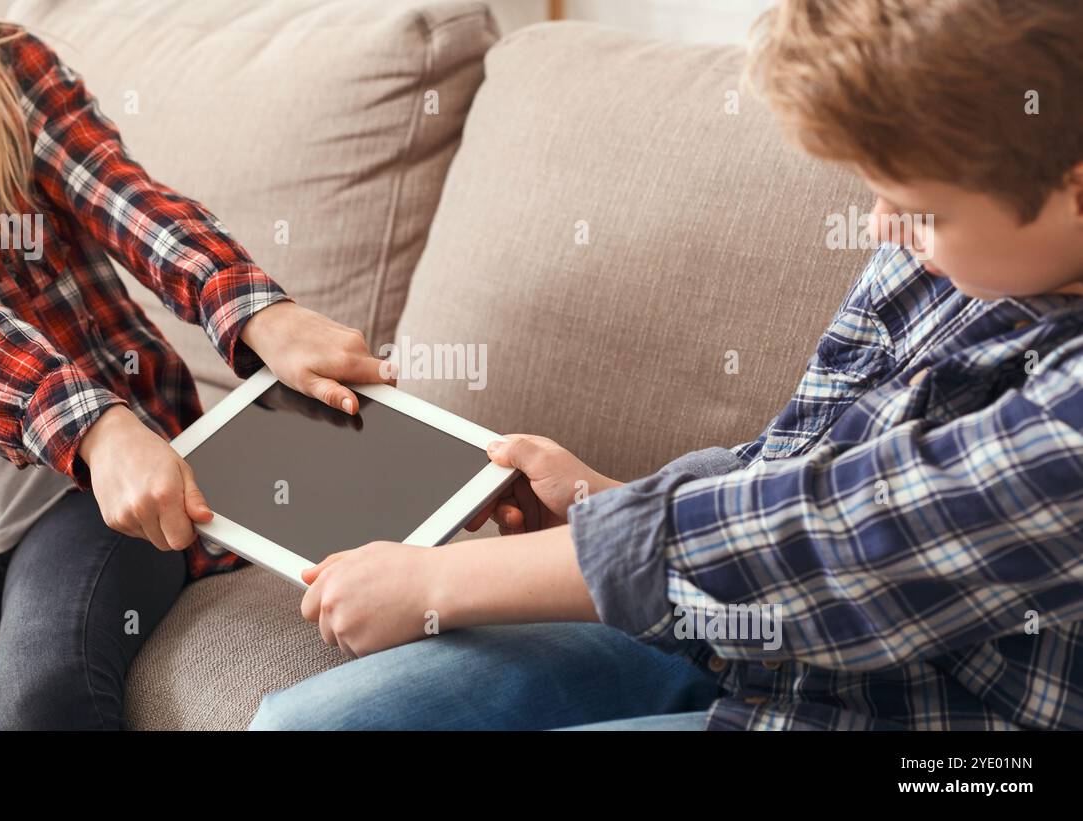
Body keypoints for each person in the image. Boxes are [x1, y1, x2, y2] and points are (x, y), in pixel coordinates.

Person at [251, 0, 1083, 731]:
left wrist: (444, 578)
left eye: (920, 209)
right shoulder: (933, 259)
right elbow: (789, 468)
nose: (880, 229)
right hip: (733, 636)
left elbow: (837, 533)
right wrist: (607, 504)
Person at [0, 0, 387, 730]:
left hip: (86, 500)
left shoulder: (0, 65)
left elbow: (125, 199)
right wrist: (91, 421)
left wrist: (256, 310)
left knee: (46, 690)